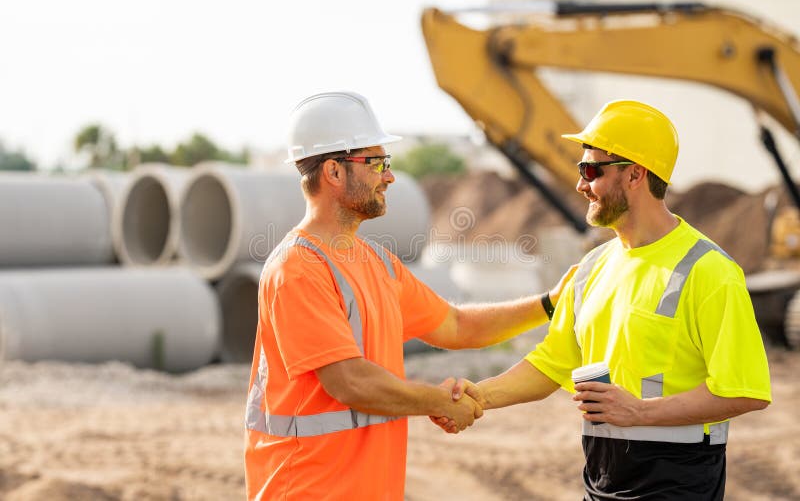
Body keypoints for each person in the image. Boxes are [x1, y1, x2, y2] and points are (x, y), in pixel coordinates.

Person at [244, 91, 577, 500]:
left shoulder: (377, 263)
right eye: (378, 163)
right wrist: (439, 400)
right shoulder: (297, 268)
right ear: (333, 170)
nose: (390, 176)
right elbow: (350, 381)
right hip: (308, 489)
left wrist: (550, 303)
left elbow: (456, 325)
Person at [441, 99, 772, 500]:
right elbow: (551, 363)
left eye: (591, 170)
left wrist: (640, 413)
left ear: (634, 174)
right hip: (601, 481)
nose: (580, 184)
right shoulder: (592, 267)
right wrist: (478, 397)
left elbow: (745, 390)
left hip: (679, 486)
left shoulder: (709, 271)